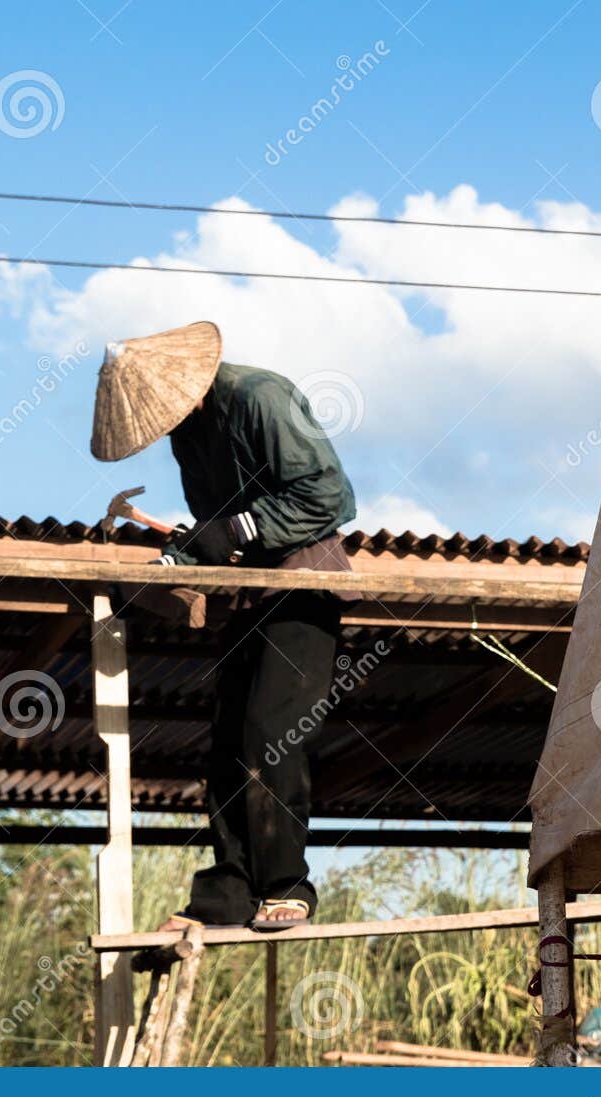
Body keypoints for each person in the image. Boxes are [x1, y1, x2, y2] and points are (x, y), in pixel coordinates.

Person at [90, 320, 357, 932]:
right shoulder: (190, 433)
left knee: (273, 732)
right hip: (250, 591)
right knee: (228, 745)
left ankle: (288, 886)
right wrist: (177, 560)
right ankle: (228, 896)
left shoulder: (262, 397)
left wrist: (234, 531)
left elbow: (330, 496)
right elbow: (215, 530)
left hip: (303, 581)